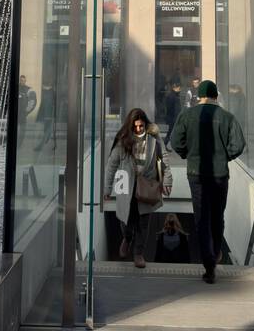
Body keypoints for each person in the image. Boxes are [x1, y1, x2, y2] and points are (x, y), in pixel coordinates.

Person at [170, 79, 244, 284]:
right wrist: (224, 156)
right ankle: (217, 250)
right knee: (217, 215)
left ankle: (209, 263)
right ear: (216, 96)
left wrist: (187, 154)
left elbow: (176, 142)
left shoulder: (186, 115)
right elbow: (238, 144)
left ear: (199, 95)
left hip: (196, 174)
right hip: (220, 174)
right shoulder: (227, 117)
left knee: (201, 218)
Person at [103, 107, 172, 269]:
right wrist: (107, 189)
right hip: (125, 184)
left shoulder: (153, 140)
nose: (138, 129)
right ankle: (127, 238)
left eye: (141, 126)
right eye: (135, 126)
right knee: (124, 219)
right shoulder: (123, 140)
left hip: (146, 185)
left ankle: (138, 254)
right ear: (130, 125)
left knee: (143, 223)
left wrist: (167, 180)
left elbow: (165, 160)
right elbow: (111, 165)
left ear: (145, 124)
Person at [162, 79, 182, 151]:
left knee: (172, 132)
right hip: (172, 118)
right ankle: (164, 146)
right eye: (179, 88)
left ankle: (165, 146)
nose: (180, 89)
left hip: (173, 117)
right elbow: (170, 108)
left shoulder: (174, 95)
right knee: (171, 132)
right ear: (175, 88)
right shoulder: (172, 96)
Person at [17, 75, 37, 144]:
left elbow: (33, 102)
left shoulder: (28, 89)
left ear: (25, 81)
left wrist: (26, 112)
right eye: (21, 80)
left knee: (22, 130)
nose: (22, 82)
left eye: (23, 80)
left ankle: (19, 143)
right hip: (15, 113)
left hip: (22, 113)